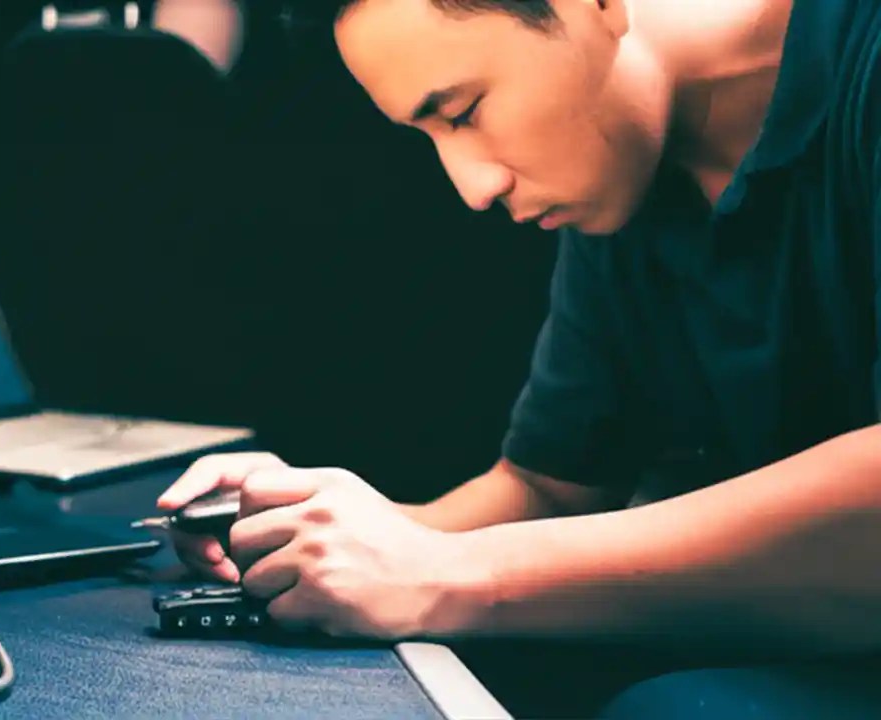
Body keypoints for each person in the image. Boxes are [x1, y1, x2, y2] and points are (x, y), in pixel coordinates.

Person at [155, 0, 881, 716]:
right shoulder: (623, 169)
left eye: (464, 112)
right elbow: (550, 491)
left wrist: (446, 572)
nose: (476, 188)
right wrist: (324, 536)